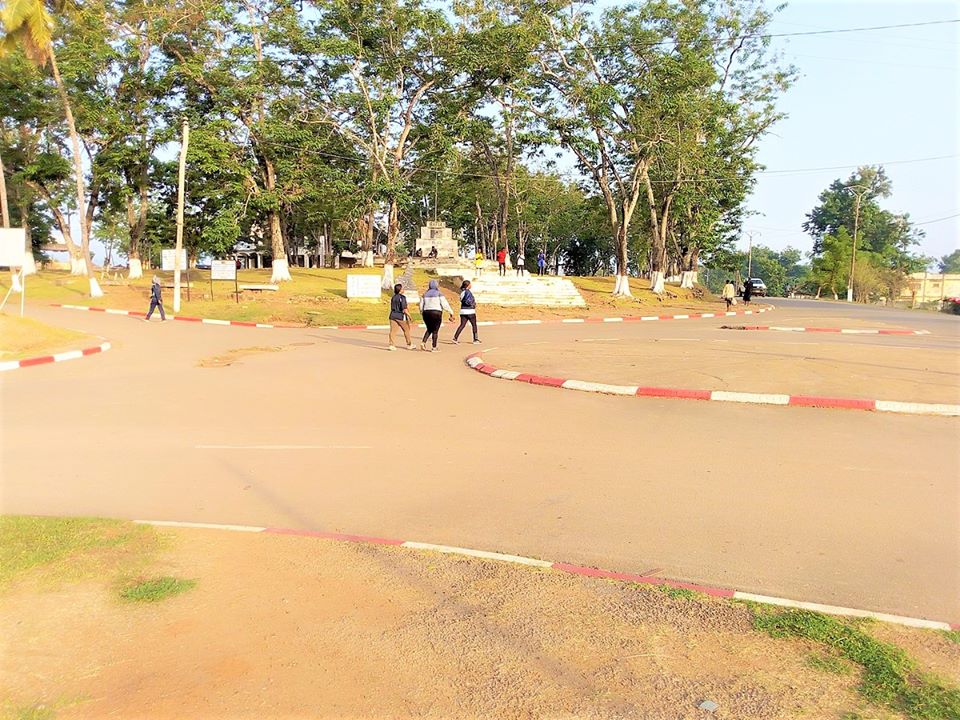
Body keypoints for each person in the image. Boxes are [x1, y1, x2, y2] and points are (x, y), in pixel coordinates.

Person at [419, 279, 453, 351]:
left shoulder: (425, 294)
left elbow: (421, 305)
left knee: (429, 328)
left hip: (426, 312)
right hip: (436, 313)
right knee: (435, 330)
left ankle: (423, 342)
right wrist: (450, 312)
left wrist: (421, 311)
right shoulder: (439, 293)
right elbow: (445, 304)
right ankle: (434, 347)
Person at [388, 283, 416, 351]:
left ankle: (391, 345)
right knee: (406, 330)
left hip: (393, 315)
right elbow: (404, 309)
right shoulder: (402, 298)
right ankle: (409, 344)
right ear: (400, 290)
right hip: (400, 316)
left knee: (393, 331)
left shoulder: (393, 297)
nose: (403, 289)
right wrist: (409, 316)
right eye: (402, 288)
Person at [453, 280, 481, 345]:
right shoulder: (468, 292)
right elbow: (469, 301)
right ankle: (475, 339)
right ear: (468, 285)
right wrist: (473, 304)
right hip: (470, 311)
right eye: (470, 284)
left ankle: (455, 338)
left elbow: (461, 300)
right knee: (474, 325)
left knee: (462, 325)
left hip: (463, 311)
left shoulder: (462, 292)